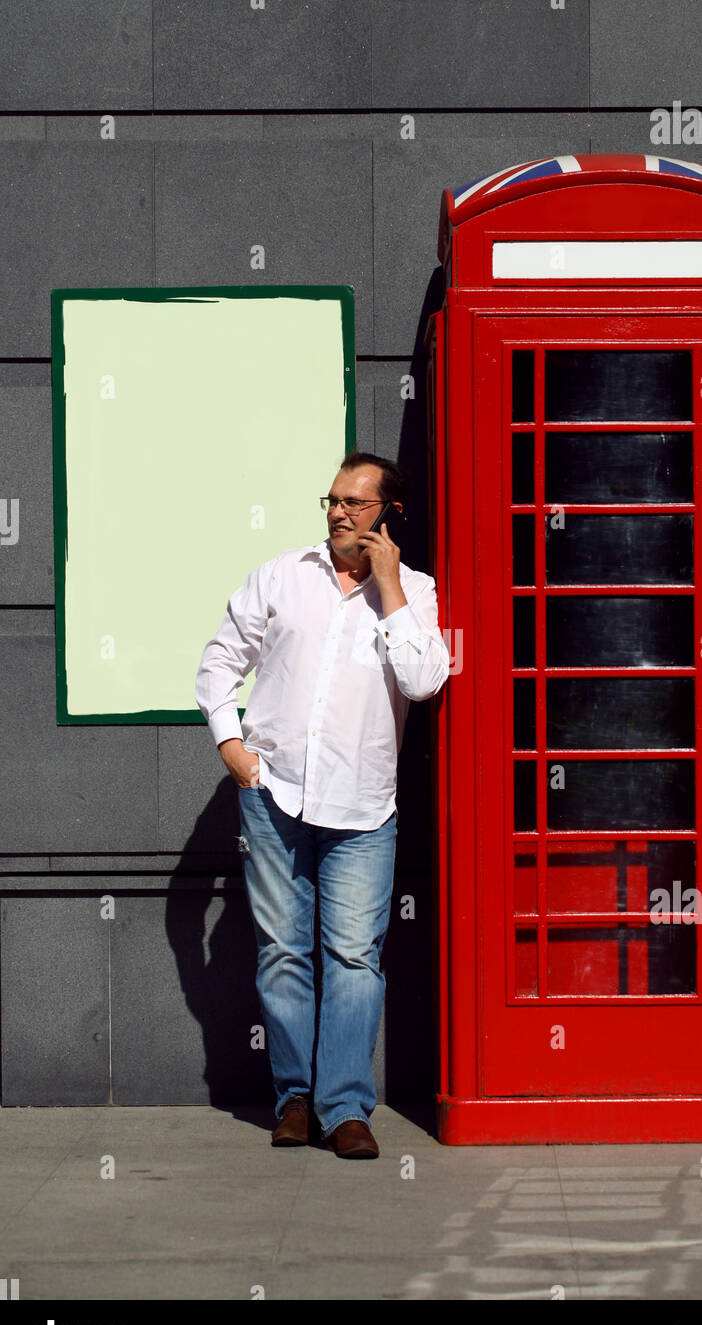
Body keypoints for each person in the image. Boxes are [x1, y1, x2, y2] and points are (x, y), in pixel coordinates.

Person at [195, 449, 450, 1159]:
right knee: (282, 954)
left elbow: (426, 680)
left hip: (364, 808)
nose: (339, 512)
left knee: (353, 958)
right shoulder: (282, 577)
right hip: (274, 796)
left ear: (389, 515)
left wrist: (391, 586)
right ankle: (294, 1101)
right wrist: (232, 748)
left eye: (355, 503)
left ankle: (345, 1108)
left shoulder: (417, 594)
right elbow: (219, 660)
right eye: (332, 500)